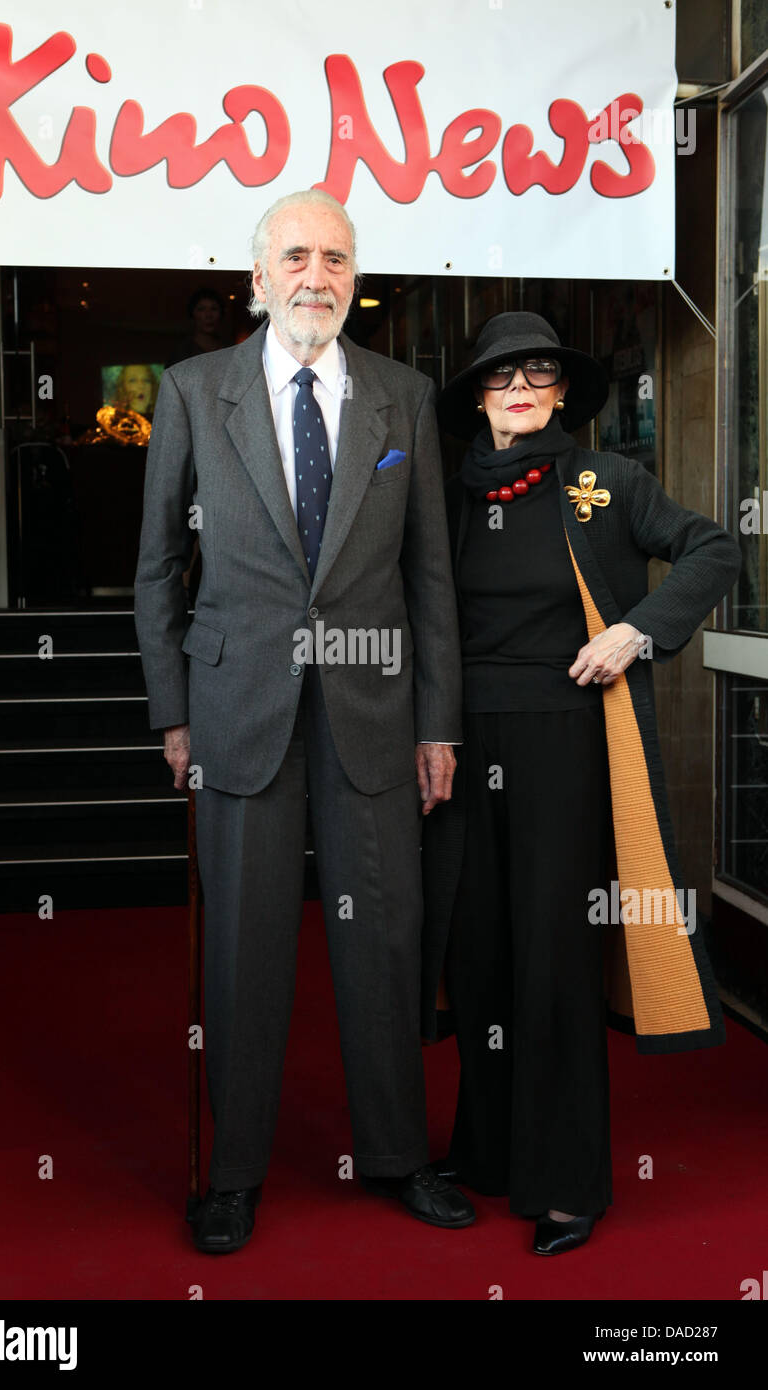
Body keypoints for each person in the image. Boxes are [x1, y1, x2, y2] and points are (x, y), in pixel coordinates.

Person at [134, 188, 474, 1254]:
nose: (314, 274)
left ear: (353, 274)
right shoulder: (193, 391)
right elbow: (154, 571)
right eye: (294, 255)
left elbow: (431, 579)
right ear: (257, 277)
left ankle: (397, 1154)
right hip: (237, 706)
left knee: (384, 936)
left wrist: (439, 726)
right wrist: (172, 710)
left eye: (333, 256)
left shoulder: (402, 398)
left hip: (373, 708)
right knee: (241, 948)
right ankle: (233, 1173)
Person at [421, 311, 741, 1256]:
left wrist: (636, 629)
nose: (518, 389)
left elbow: (715, 548)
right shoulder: (443, 497)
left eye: (535, 374)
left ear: (561, 391)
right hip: (462, 745)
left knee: (555, 957)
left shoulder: (608, 482)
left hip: (569, 743)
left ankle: (568, 1184)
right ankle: (485, 1150)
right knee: (478, 949)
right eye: (499, 376)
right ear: (477, 397)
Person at [166, 287, 227, 366]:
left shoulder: (228, 349)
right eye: (201, 309)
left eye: (214, 309)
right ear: (193, 314)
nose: (208, 315)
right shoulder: (182, 353)